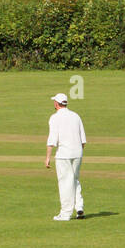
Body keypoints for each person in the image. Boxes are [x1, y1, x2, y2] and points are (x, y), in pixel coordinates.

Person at [45, 93, 86, 221]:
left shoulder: (54, 118)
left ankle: (65, 213)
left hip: (64, 155)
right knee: (75, 179)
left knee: (65, 183)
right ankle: (79, 207)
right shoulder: (76, 116)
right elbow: (83, 140)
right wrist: (77, 152)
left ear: (57, 104)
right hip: (78, 153)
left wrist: (47, 157)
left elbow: (52, 140)